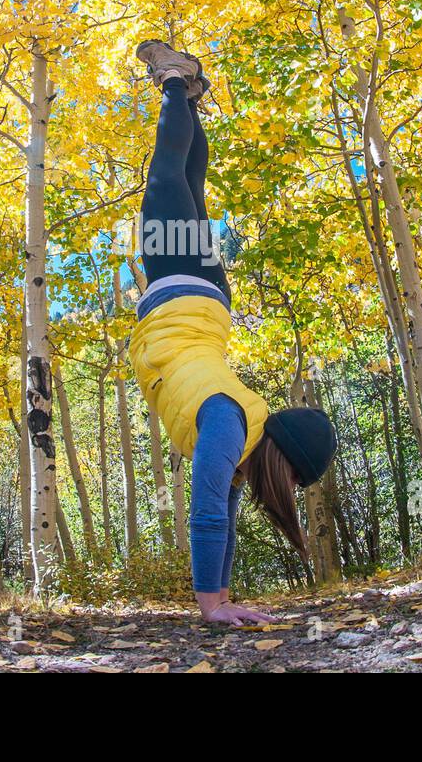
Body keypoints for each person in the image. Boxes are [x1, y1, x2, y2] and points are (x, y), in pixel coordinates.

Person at [128, 39, 338, 627]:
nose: (289, 491)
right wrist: (210, 605)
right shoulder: (228, 420)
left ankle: (189, 95)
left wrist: (222, 599)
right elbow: (207, 517)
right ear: (282, 461)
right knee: (165, 183)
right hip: (183, 290)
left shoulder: (240, 433)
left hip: (202, 303)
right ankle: (175, 81)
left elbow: (221, 510)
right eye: (294, 481)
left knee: (188, 188)